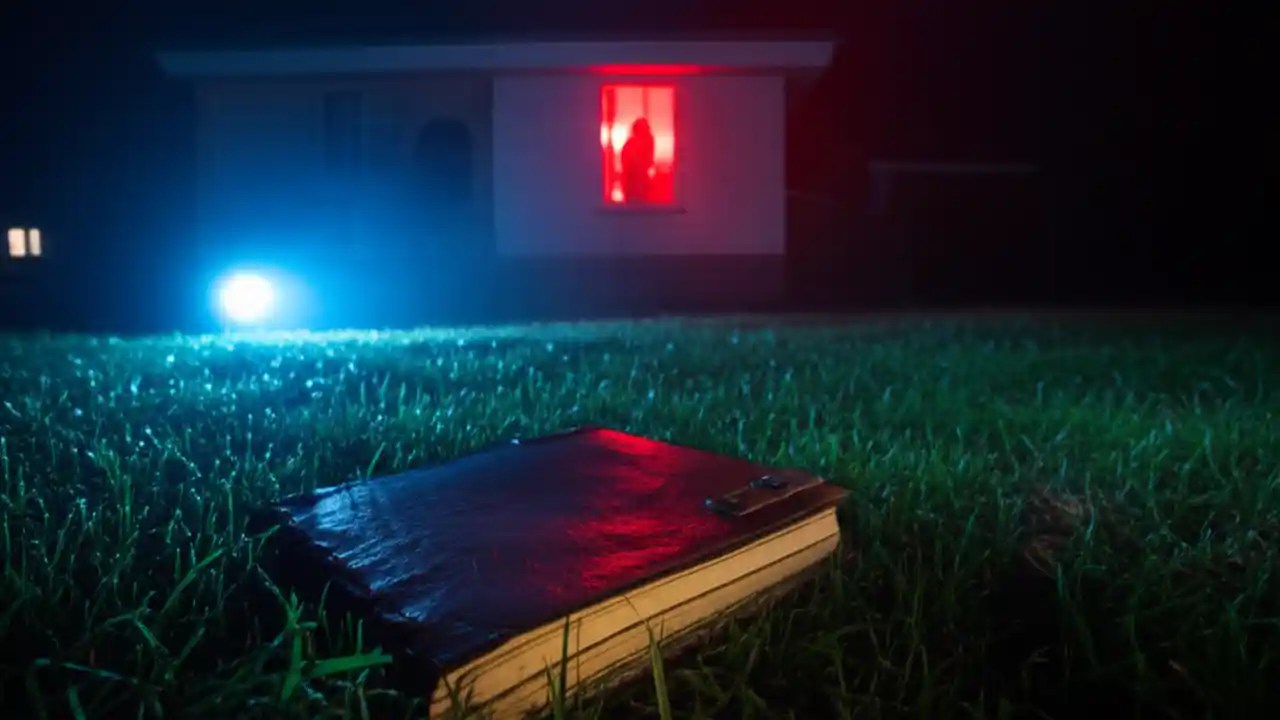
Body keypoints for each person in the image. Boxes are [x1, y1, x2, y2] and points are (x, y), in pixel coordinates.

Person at [620, 118, 655, 203]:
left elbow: (648, 163)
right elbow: (633, 166)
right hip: (634, 188)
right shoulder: (631, 147)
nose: (649, 134)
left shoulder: (632, 146)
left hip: (640, 187)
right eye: (646, 130)